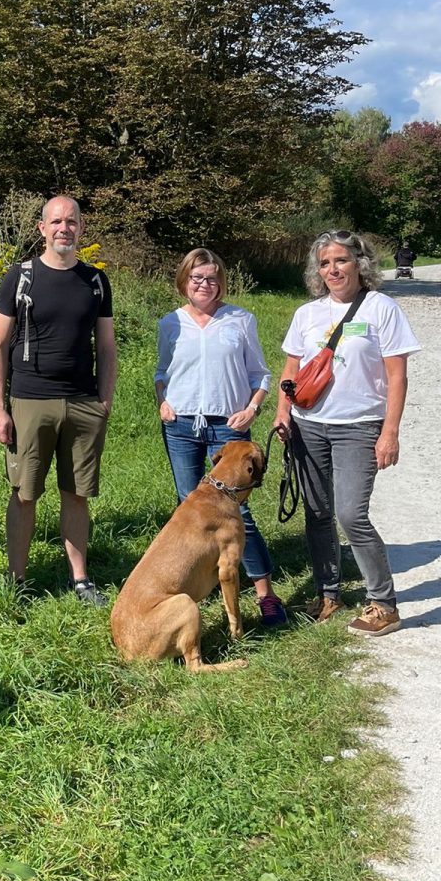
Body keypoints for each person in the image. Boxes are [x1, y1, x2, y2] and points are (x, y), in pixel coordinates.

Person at [275, 229, 420, 636]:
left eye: (340, 260)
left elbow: (397, 377)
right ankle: (328, 593)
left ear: (360, 263)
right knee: (318, 513)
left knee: (350, 514)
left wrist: (389, 432)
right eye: (324, 263)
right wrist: (282, 415)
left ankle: (383, 603)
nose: (332, 269)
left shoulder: (381, 308)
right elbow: (291, 371)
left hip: (359, 426)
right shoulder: (307, 313)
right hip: (309, 426)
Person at [0, 195, 116, 603]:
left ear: (81, 228)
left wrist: (105, 401)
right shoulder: (20, 276)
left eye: (72, 221)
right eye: (56, 221)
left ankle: (80, 580)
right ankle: (17, 581)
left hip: (82, 402)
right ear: (42, 228)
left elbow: (108, 347)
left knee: (76, 494)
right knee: (24, 493)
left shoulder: (95, 280)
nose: (65, 228)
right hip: (30, 400)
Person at [155, 247, 287, 626]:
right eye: (196, 278)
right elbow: (161, 372)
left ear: (221, 282)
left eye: (211, 278)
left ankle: (265, 595)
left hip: (228, 427)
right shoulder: (171, 323)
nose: (204, 284)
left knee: (236, 511)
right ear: (184, 281)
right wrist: (163, 400)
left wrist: (253, 408)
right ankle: (208, 581)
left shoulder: (240, 320)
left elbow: (260, 374)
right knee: (190, 508)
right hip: (181, 425)